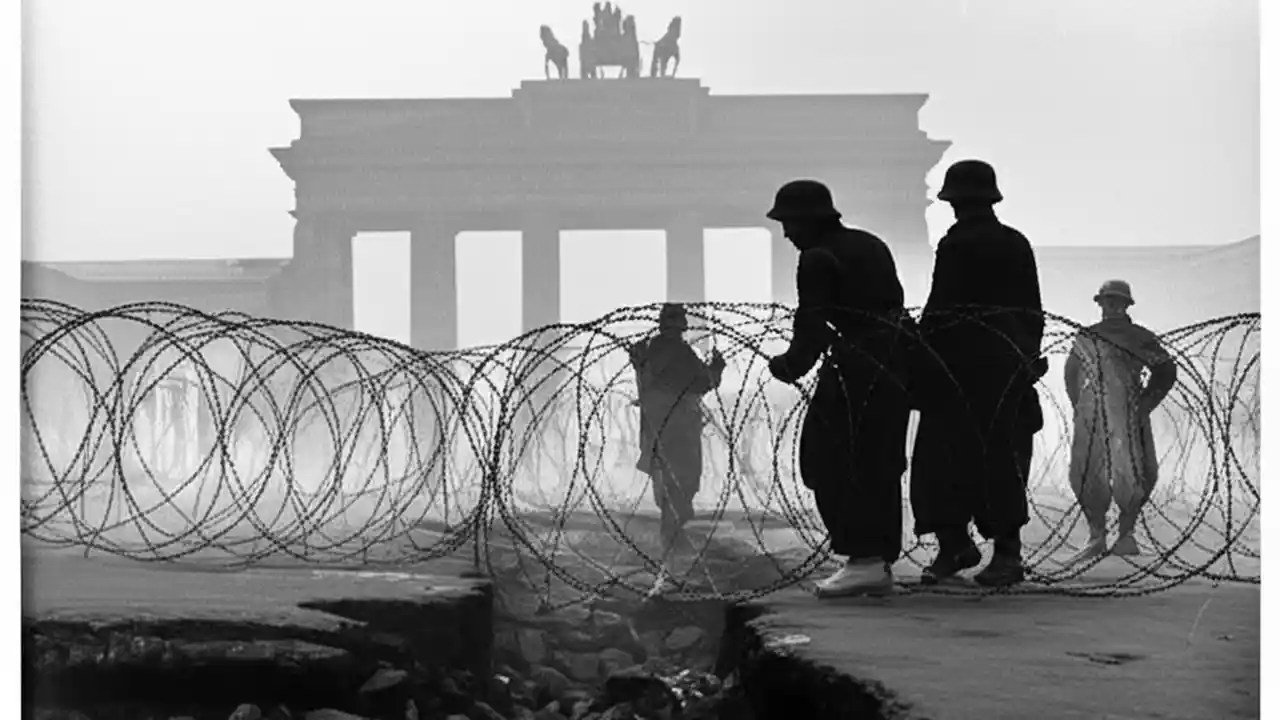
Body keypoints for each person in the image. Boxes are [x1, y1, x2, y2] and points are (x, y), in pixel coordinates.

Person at [764, 179, 913, 598]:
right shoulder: (870, 244)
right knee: (878, 462)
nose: (786, 234)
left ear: (806, 221)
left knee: (828, 460)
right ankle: (875, 560)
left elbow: (811, 320)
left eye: (788, 223)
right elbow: (892, 303)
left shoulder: (817, 257)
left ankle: (862, 557)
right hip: (892, 365)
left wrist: (790, 365)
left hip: (853, 371)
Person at [909, 159, 1045, 588]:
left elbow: (942, 309)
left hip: (960, 373)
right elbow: (1033, 312)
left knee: (938, 464)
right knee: (1001, 462)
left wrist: (914, 350)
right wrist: (1025, 359)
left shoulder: (957, 243)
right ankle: (1005, 553)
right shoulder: (1015, 241)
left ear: (955, 202)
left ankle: (957, 546)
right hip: (1006, 368)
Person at [1062, 280, 1176, 564]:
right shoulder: (1087, 336)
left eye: (1117, 302)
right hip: (1092, 412)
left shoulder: (1139, 337)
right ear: (1099, 304)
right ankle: (1096, 535)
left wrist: (1145, 405)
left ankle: (1126, 535)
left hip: (1128, 408)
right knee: (1086, 470)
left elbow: (1165, 371)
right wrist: (1079, 405)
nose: (1112, 306)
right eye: (1107, 302)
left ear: (1126, 305)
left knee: (1134, 469)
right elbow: (1071, 372)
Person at [629, 303, 726, 572]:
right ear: (681, 325)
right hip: (680, 428)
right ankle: (673, 543)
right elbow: (703, 382)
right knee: (683, 482)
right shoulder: (680, 352)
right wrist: (717, 366)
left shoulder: (648, 351)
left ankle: (670, 540)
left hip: (656, 429)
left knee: (667, 483)